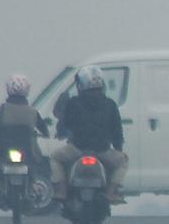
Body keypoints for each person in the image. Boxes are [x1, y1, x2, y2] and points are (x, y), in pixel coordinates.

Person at [50, 66, 128, 204]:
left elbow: (65, 124)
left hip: (77, 149)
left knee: (55, 158)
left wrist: (61, 133)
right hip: (103, 150)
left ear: (81, 85)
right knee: (123, 161)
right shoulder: (110, 104)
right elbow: (117, 130)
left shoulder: (73, 103)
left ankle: (61, 190)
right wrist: (118, 148)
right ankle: (111, 192)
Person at [0, 74, 50, 197]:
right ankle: (33, 181)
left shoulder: (3, 109)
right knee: (37, 160)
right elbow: (43, 128)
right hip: (27, 148)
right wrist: (45, 134)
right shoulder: (32, 110)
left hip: (3, 148)